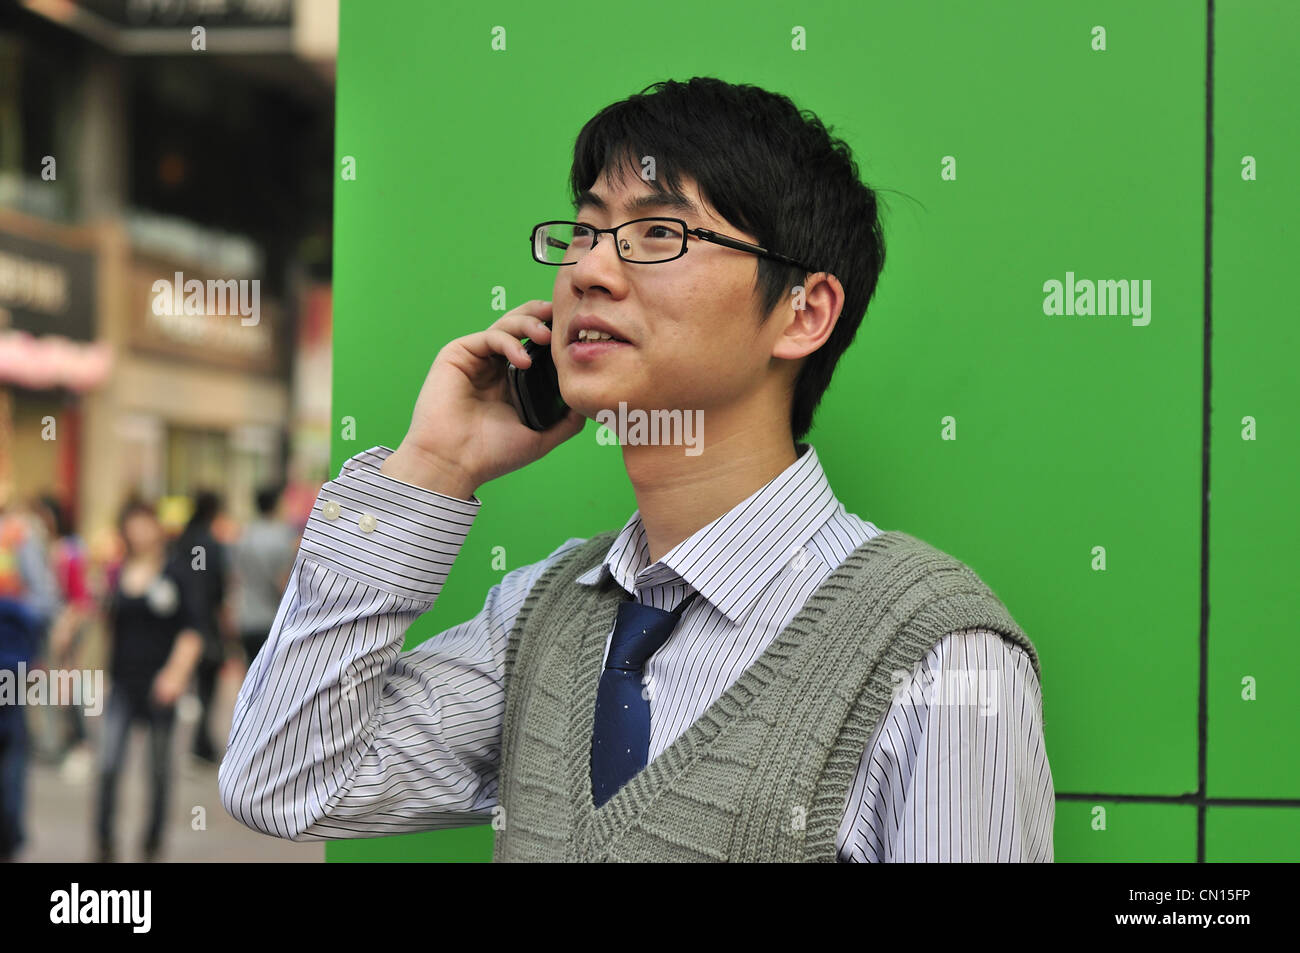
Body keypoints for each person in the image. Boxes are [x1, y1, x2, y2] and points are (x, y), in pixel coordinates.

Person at [220, 77, 1054, 861]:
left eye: (659, 233)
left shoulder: (940, 655)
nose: (588, 269)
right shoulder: (542, 614)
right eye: (584, 231)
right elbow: (282, 781)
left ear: (805, 312)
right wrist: (433, 465)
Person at [95, 499, 203, 863]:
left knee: (158, 770)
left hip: (161, 687)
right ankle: (104, 843)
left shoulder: (177, 571)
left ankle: (152, 845)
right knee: (108, 764)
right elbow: (111, 629)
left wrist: (174, 675)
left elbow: (193, 631)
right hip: (123, 684)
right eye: (131, 524)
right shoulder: (118, 572)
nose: (138, 532)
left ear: (156, 527)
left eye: (144, 524)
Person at [0, 492, 59, 862]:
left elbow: (45, 602)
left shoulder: (18, 537)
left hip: (9, 668)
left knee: (11, 754)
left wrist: (9, 610)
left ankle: (9, 835)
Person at [167, 490, 230, 765]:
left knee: (182, 682)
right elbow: (218, 587)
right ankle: (201, 742)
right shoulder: (210, 544)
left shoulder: (183, 541)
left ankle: (189, 740)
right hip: (205, 623)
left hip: (180, 622)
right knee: (207, 686)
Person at [230, 485, 297, 666]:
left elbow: (235, 576)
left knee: (251, 675)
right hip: (273, 620)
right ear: (276, 505)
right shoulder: (283, 537)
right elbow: (282, 582)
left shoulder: (243, 535)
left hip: (247, 619)